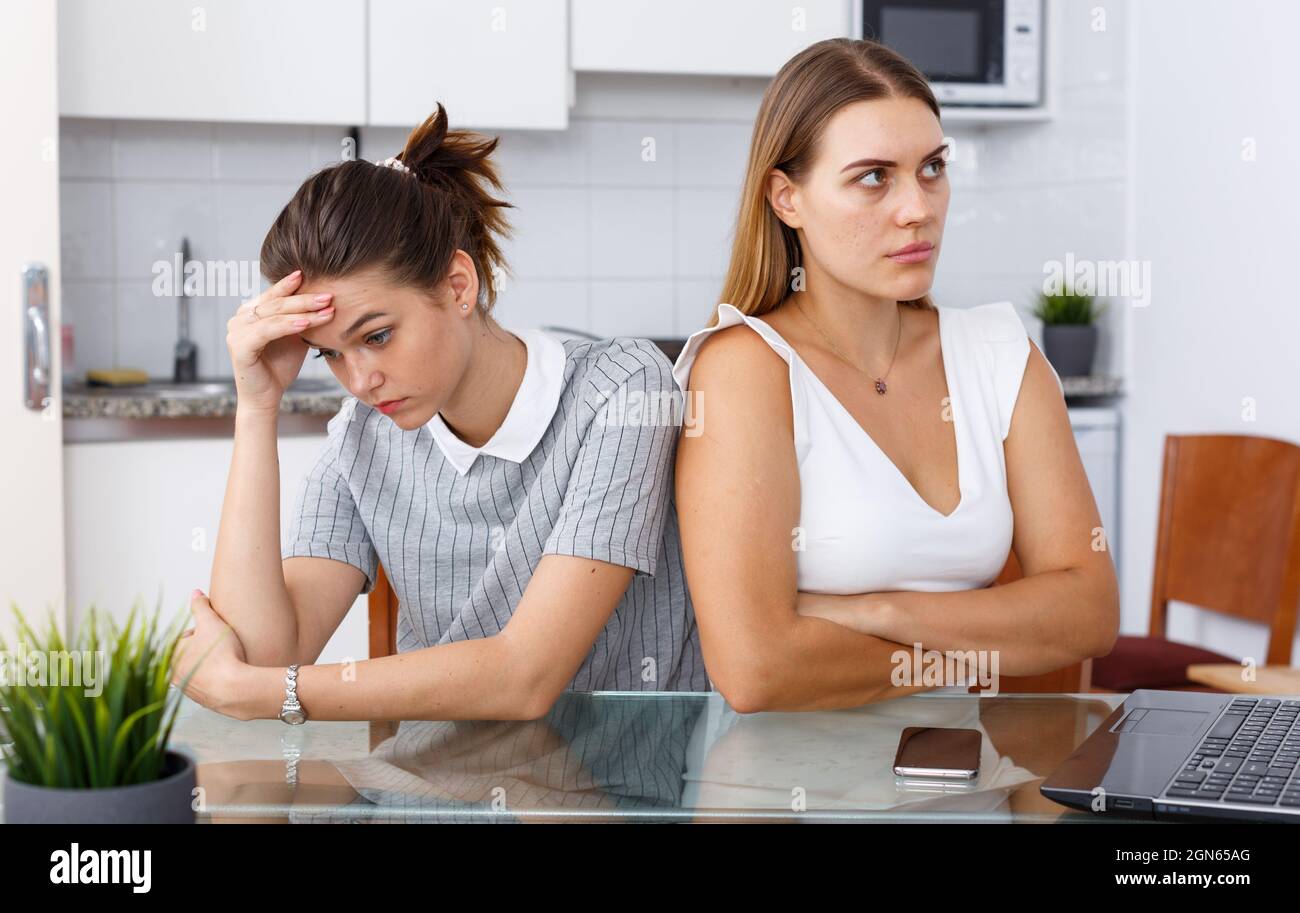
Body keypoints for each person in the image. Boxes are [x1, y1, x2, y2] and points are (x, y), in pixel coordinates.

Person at [172, 104, 708, 722]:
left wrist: (271, 695)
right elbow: (266, 655)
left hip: (618, 796)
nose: (361, 381)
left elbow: (525, 678)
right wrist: (257, 404)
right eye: (329, 354)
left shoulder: (619, 392)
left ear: (458, 285)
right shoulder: (364, 438)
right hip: (435, 791)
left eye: (376, 336)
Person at [672, 38, 1119, 713]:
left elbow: (1088, 611)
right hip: (786, 794)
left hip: (966, 783)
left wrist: (879, 610)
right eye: (874, 176)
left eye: (932, 167)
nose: (918, 207)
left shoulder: (1000, 354)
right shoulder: (743, 369)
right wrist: (987, 635)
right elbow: (756, 669)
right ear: (786, 197)